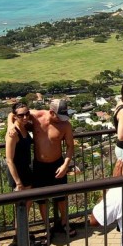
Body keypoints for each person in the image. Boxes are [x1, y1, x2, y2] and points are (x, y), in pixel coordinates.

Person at [30, 98, 77, 238]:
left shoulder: (65, 125)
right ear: (51, 112)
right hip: (39, 166)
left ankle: (64, 222)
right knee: (41, 199)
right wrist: (11, 128)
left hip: (58, 164)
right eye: (59, 116)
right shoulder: (35, 117)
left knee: (61, 196)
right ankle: (46, 227)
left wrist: (65, 165)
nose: (61, 120)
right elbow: (13, 114)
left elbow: (70, 146)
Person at [5, 100, 45, 246]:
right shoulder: (13, 133)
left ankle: (20, 237)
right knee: (22, 208)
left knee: (25, 207)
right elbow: (9, 160)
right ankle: (22, 240)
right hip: (18, 174)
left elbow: (10, 113)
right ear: (16, 117)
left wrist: (10, 120)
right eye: (21, 115)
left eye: (27, 113)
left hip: (26, 170)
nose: (25, 116)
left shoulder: (23, 128)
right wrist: (18, 182)